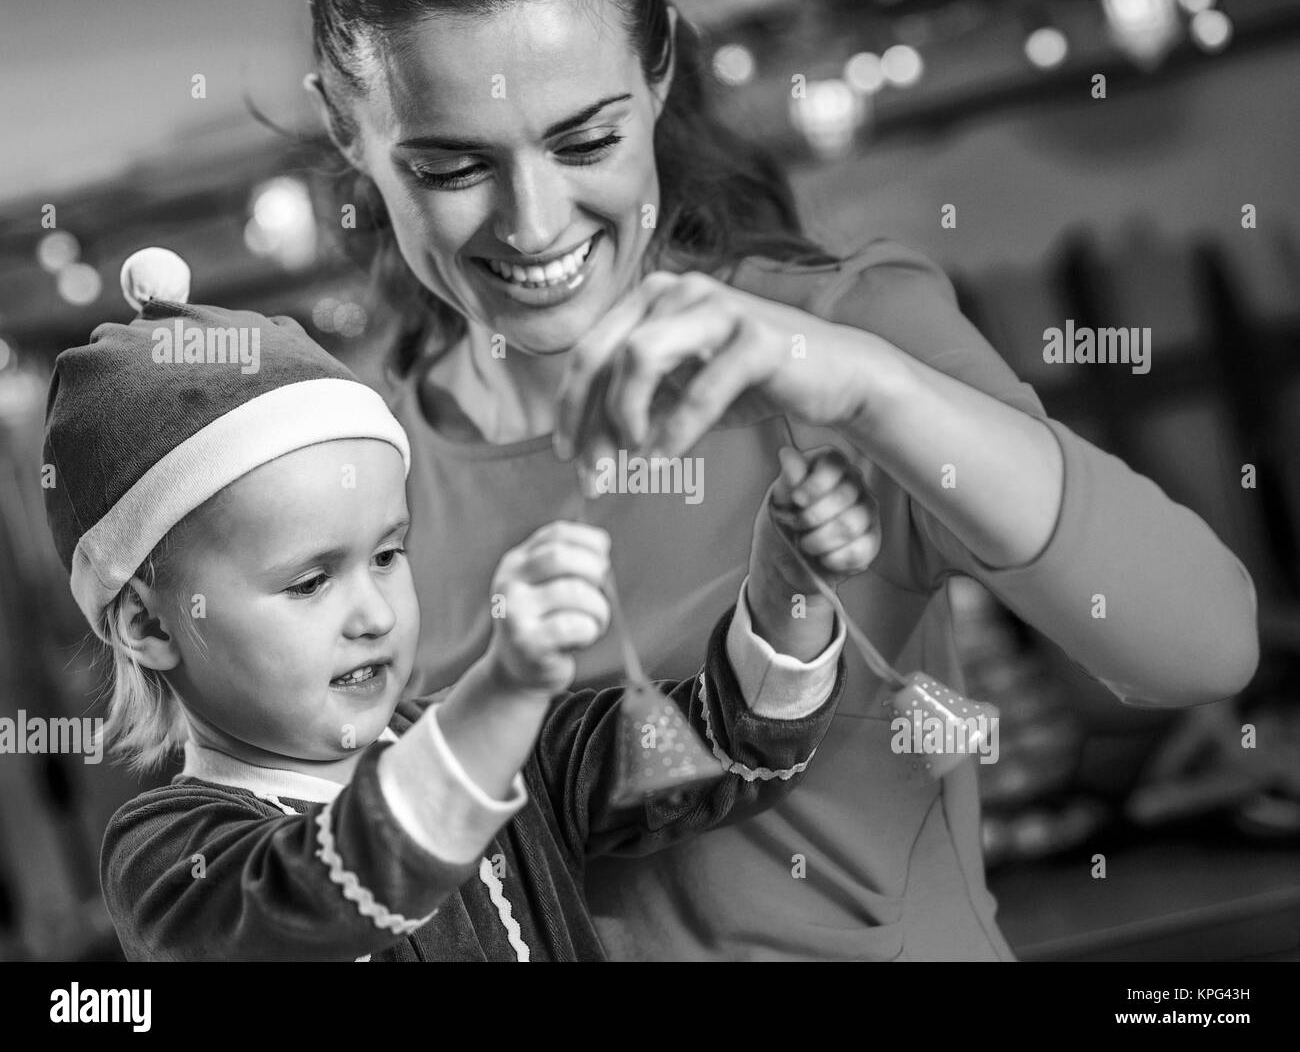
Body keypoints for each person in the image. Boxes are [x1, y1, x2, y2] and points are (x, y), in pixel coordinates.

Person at [303, 0, 1260, 959]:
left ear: (658, 72)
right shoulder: (345, 471)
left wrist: (869, 387)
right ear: (346, 127)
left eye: (587, 142)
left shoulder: (846, 336)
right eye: (453, 168)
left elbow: (1203, 650)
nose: (534, 223)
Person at [44, 298, 879, 961]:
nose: (374, 614)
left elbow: (717, 750)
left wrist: (787, 589)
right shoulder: (168, 856)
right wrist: (504, 692)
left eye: (387, 555)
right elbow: (320, 898)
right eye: (309, 582)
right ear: (149, 624)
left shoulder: (504, 743)